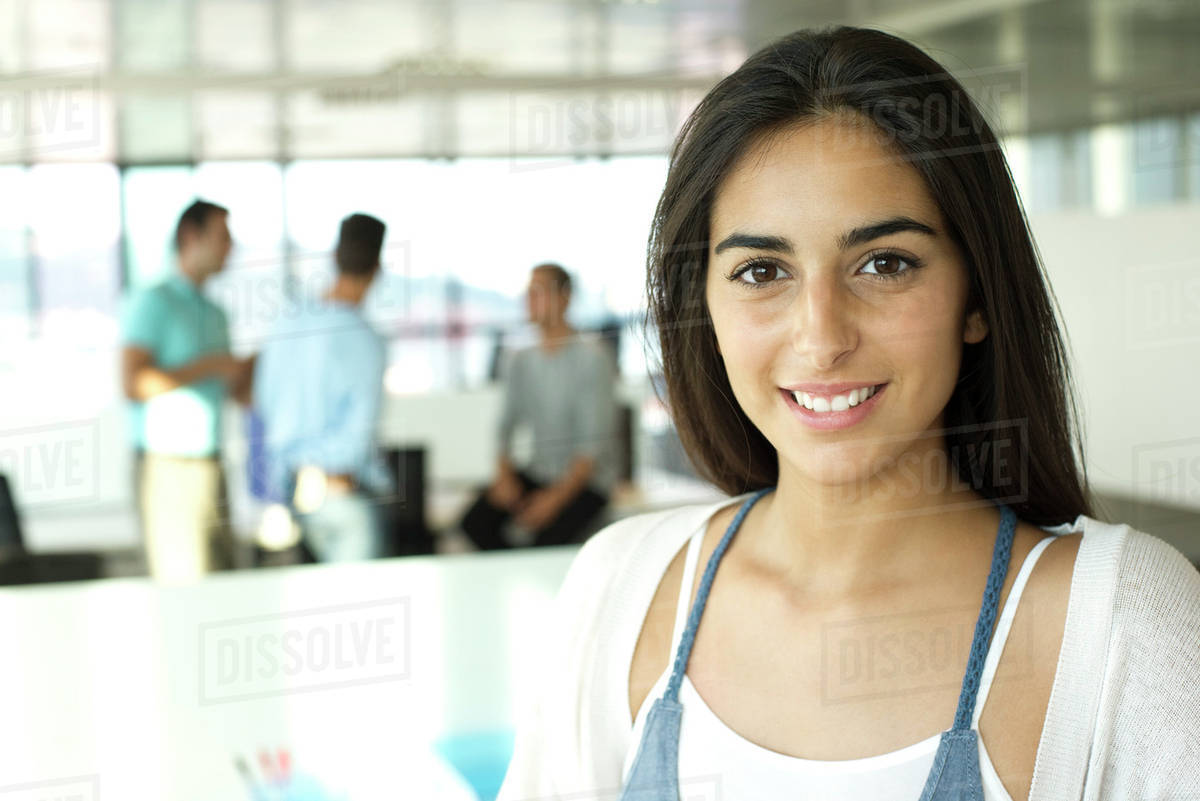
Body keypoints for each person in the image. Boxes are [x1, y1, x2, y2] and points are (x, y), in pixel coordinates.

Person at [498, 26, 1200, 801]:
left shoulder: (1121, 620)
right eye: (762, 270)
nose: (822, 336)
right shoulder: (619, 589)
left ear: (976, 295)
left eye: (885, 263)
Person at [120, 199, 254, 583]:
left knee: (225, 579)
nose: (232, 247)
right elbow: (133, 383)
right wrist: (210, 364)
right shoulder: (153, 301)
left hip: (212, 464)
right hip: (167, 470)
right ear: (190, 237)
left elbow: (234, 393)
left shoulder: (215, 313)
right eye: (223, 236)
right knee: (183, 585)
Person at [252, 213, 393, 562]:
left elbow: (263, 403)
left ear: (334, 257)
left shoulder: (288, 321)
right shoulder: (366, 340)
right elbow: (360, 435)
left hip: (292, 492)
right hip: (341, 495)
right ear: (377, 268)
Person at [460, 263, 617, 549]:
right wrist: (504, 476)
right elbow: (504, 426)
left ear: (565, 298)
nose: (529, 300)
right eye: (527, 293)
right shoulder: (519, 359)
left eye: (538, 292)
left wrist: (553, 501)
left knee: (544, 541)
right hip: (539, 472)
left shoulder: (594, 358)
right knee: (474, 524)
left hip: (585, 483)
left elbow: (591, 449)